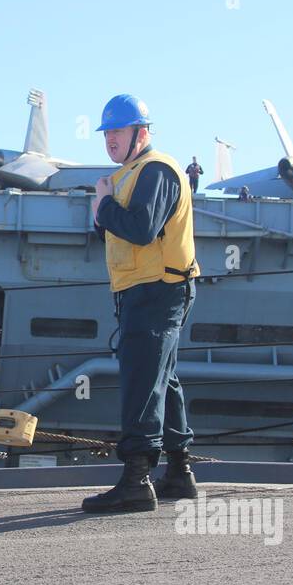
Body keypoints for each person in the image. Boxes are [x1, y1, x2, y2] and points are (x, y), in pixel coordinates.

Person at [83, 94, 200, 513]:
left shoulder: (156, 170)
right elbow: (119, 234)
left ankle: (136, 480)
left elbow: (142, 228)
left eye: (117, 131)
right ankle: (179, 473)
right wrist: (105, 210)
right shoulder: (131, 173)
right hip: (146, 289)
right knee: (163, 381)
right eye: (107, 132)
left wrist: (104, 205)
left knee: (140, 380)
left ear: (141, 132)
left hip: (156, 291)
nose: (110, 139)